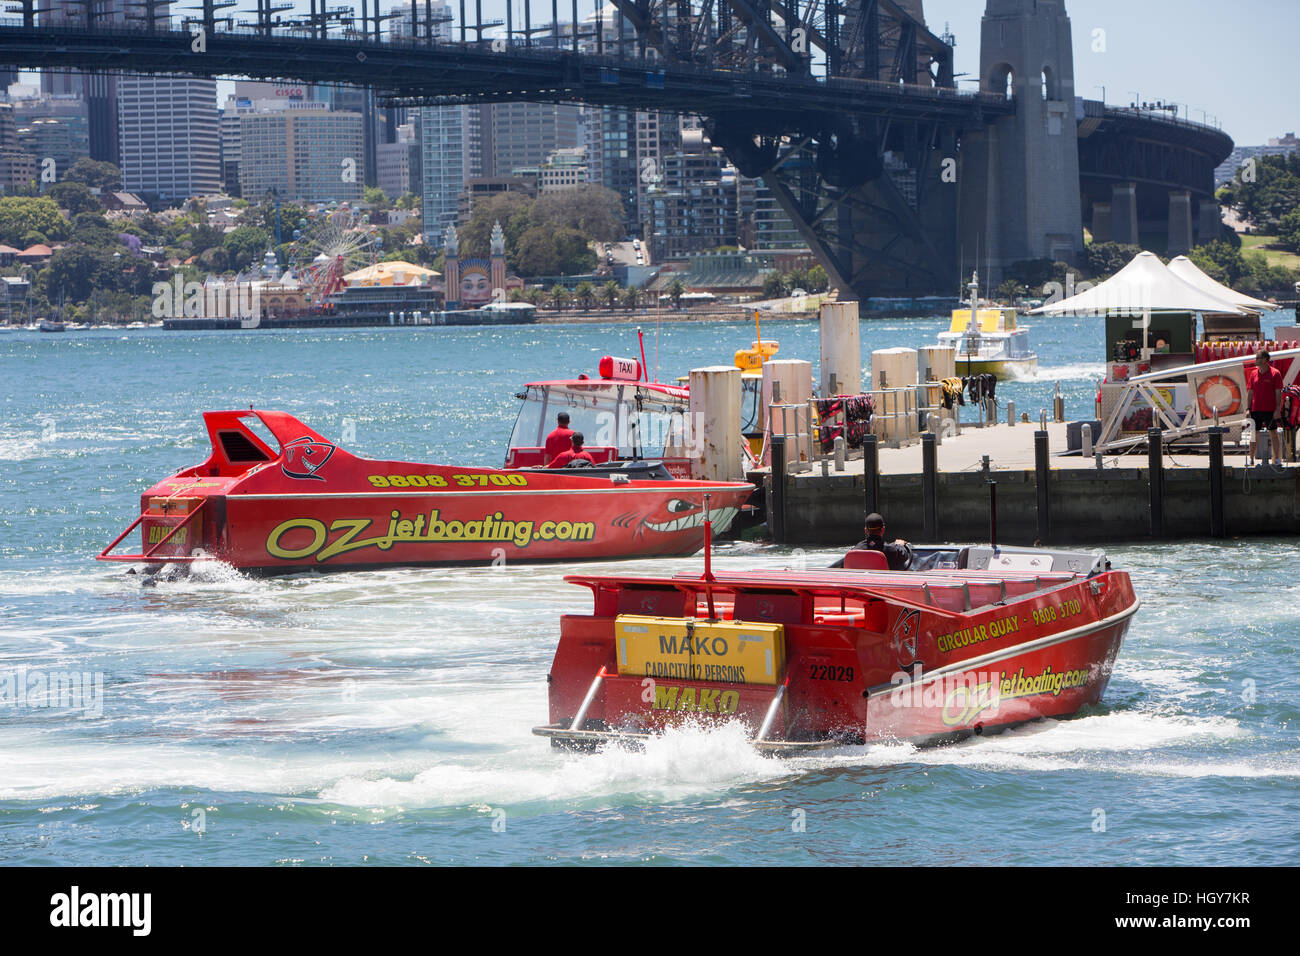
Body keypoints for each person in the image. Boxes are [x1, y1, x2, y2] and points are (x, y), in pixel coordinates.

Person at [831, 513, 912, 570]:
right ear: (883, 529)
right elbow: (904, 556)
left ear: (866, 530)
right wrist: (899, 545)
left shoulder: (856, 550)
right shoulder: (890, 550)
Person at [1246, 349, 1284, 466]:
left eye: (1258, 358)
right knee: (1254, 434)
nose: (1255, 360)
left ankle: (1277, 458)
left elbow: (1278, 393)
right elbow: (1250, 392)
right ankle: (1251, 458)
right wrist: (1248, 409)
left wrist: (1278, 409)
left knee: (1273, 433)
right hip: (1256, 409)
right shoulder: (1253, 374)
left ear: (1265, 360)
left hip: (1270, 410)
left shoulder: (1275, 374)